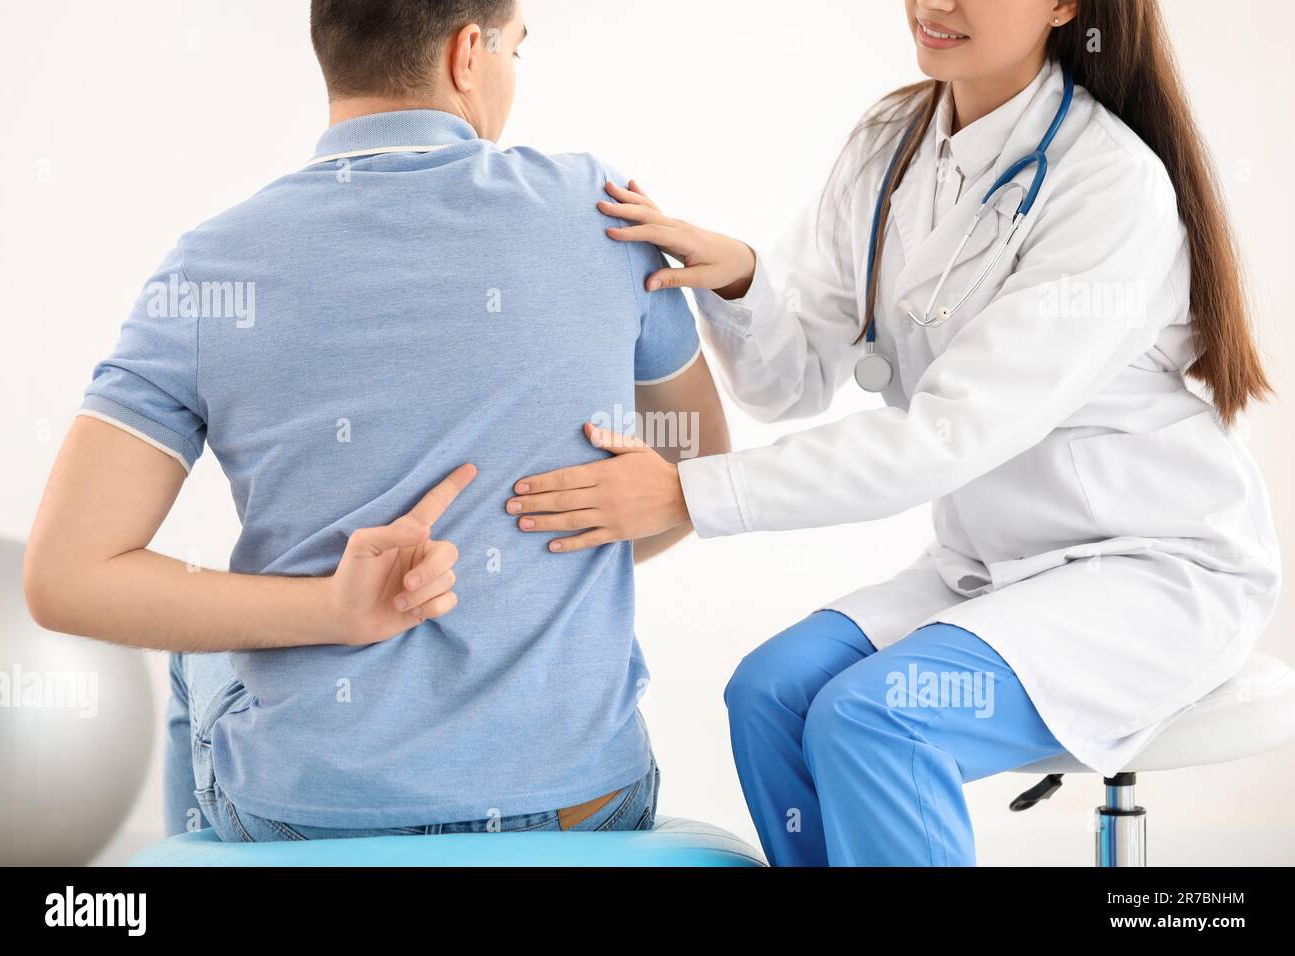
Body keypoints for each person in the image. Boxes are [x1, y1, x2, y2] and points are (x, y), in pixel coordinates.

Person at [507, 0, 1281, 865]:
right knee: (769, 696)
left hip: (1148, 572)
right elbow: (790, 383)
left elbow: (946, 437)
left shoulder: (1108, 185)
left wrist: (687, 493)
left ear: (1066, 6)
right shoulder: (893, 140)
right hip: (990, 567)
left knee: (877, 718)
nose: (935, 4)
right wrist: (743, 283)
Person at [23, 0, 728, 842]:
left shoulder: (210, 266)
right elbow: (702, 469)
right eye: (516, 50)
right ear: (469, 54)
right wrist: (548, 547)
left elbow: (66, 576)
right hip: (581, 805)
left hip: (313, 814)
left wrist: (332, 611)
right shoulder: (603, 213)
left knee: (200, 658)